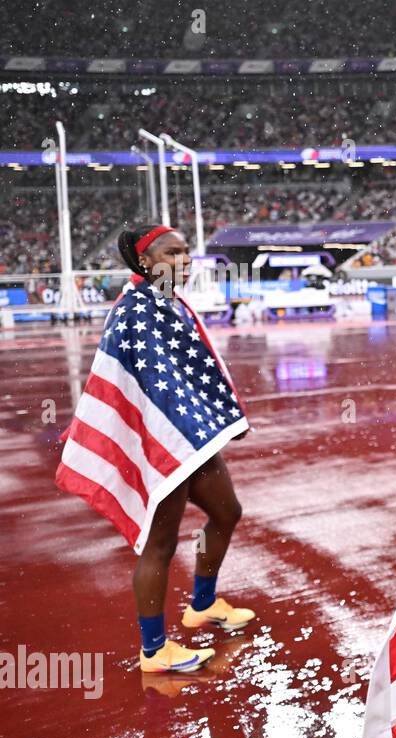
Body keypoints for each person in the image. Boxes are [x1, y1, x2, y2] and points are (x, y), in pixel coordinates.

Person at [56, 226, 256, 674]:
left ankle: (202, 604)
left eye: (187, 252)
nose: (185, 259)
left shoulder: (168, 302)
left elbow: (187, 376)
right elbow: (146, 391)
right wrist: (183, 435)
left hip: (189, 438)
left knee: (226, 512)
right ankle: (154, 650)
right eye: (173, 252)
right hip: (160, 442)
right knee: (160, 543)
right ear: (146, 261)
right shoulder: (136, 310)